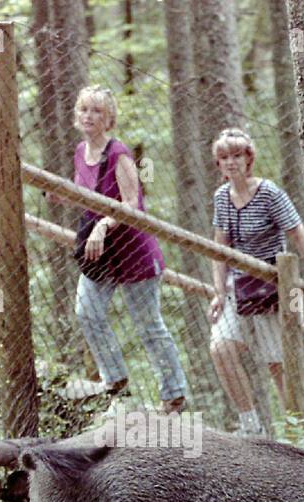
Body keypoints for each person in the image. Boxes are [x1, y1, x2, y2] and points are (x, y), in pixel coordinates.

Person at [70, 86, 188, 413]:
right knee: (87, 311)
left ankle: (173, 394)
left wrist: (102, 225)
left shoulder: (119, 152)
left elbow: (131, 203)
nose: (89, 116)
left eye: (96, 111)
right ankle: (115, 378)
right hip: (99, 253)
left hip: (132, 249)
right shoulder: (81, 151)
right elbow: (84, 195)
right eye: (84, 110)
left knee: (148, 325)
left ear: (109, 118)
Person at [207, 127, 304, 436]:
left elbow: (297, 233)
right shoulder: (221, 198)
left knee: (276, 363)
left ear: (249, 159)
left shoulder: (269, 192)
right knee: (221, 348)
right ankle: (250, 425)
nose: (231, 163)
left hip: (271, 284)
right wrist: (218, 291)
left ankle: (296, 432)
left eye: (237, 156)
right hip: (236, 286)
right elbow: (219, 248)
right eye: (224, 158)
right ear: (218, 165)